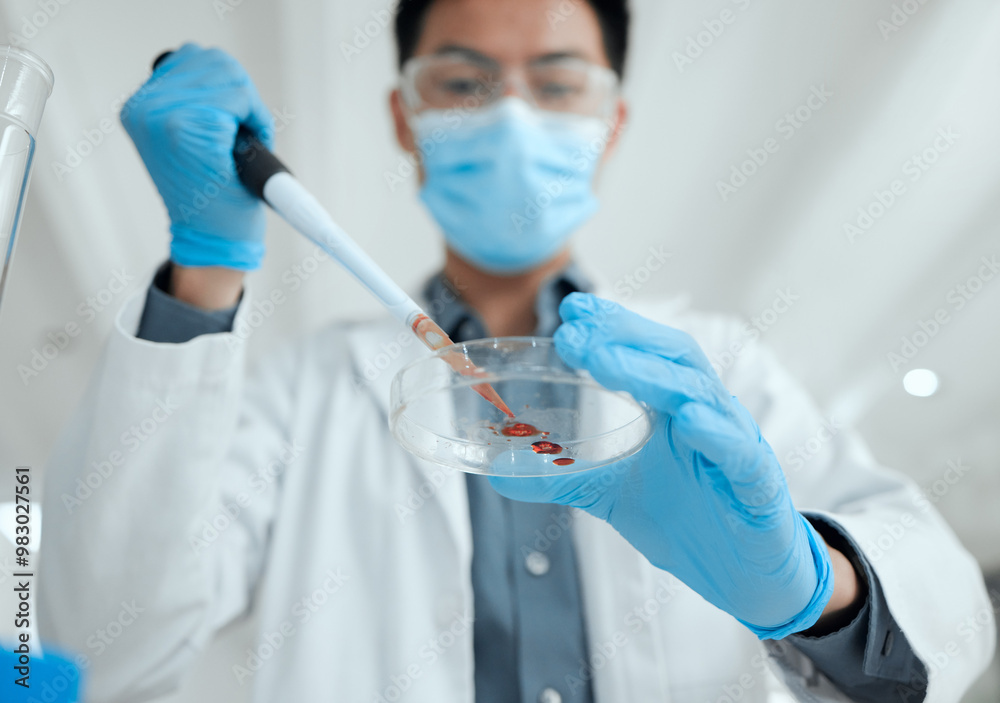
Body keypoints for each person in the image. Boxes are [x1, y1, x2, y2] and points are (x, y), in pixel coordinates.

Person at [37, 1, 995, 701]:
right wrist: (204, 268)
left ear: (609, 124)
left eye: (558, 80)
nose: (510, 112)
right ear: (404, 119)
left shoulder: (719, 363)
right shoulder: (307, 389)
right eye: (461, 81)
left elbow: (948, 616)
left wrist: (814, 586)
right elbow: (101, 646)